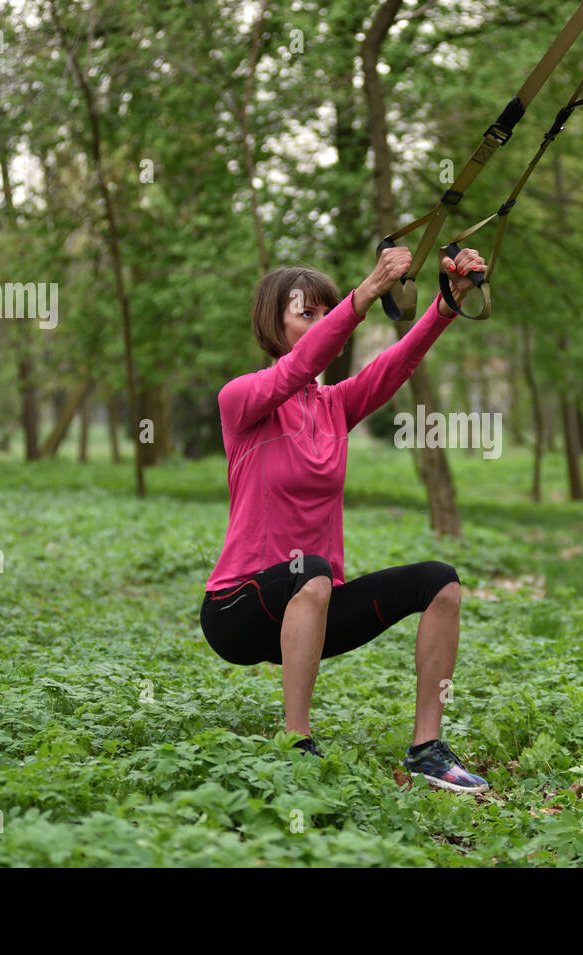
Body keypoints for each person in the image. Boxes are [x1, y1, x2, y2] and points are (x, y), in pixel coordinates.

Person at [200, 245, 491, 794]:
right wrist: (364, 294)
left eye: (324, 312)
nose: (318, 322)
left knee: (440, 582)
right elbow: (299, 366)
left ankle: (427, 750)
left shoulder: (334, 406)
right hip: (238, 609)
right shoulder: (242, 399)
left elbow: (397, 362)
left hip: (315, 606)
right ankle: (297, 745)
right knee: (307, 570)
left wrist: (446, 304)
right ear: (272, 321)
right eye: (303, 312)